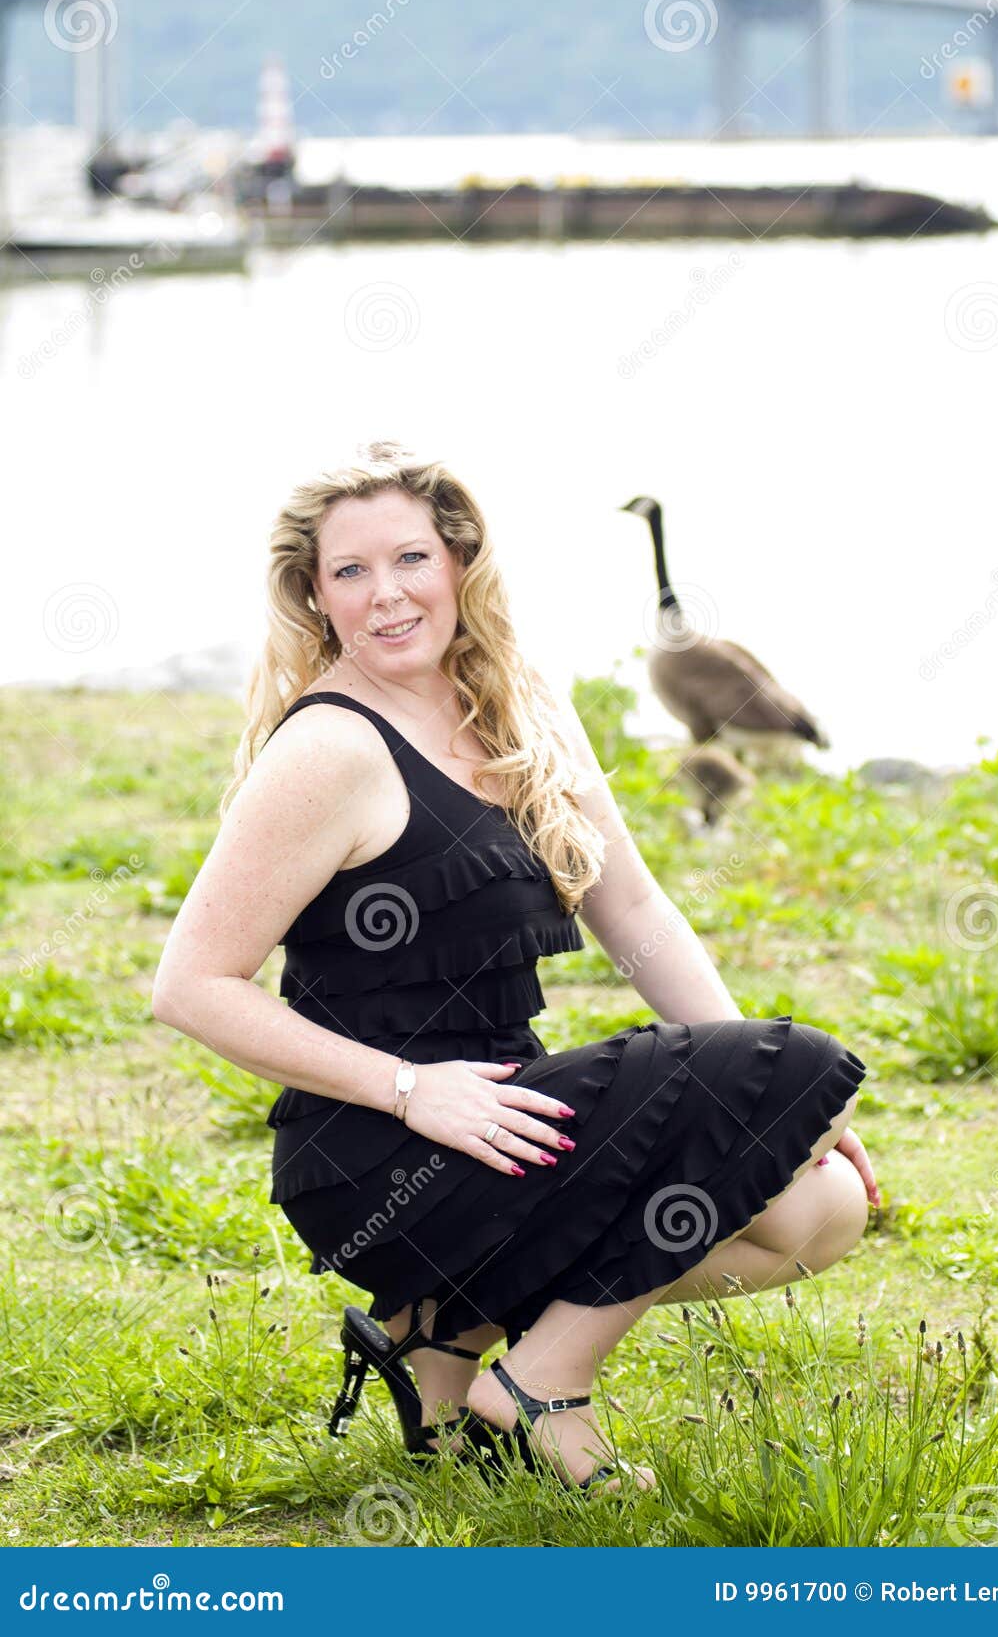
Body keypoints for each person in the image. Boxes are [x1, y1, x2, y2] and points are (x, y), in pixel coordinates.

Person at [152, 439, 878, 1497]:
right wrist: (408, 1090)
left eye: (410, 559)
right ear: (314, 594)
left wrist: (779, 1106)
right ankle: (540, 1390)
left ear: (460, 561)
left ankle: (442, 1337)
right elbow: (189, 985)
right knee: (803, 1061)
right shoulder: (330, 748)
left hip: (511, 1111)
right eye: (349, 572)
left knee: (822, 1207)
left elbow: (631, 906)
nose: (386, 595)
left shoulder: (519, 699)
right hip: (381, 1145)